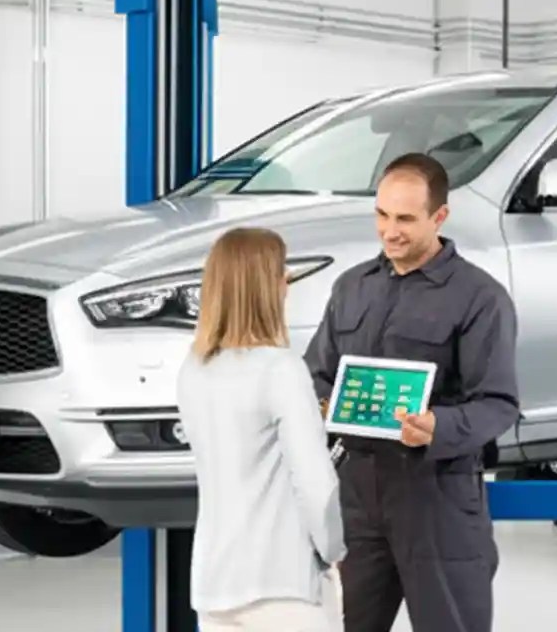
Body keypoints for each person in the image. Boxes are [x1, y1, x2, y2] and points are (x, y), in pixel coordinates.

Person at [304, 153, 521, 632]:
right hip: (357, 493)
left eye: (405, 218)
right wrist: (321, 404)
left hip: (437, 495)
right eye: (382, 215)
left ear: (439, 216)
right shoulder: (351, 287)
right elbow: (318, 373)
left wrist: (438, 427)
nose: (390, 231)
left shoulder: (479, 298)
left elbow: (499, 403)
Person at [176, 227, 346, 632]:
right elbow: (315, 484)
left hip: (215, 583)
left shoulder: (193, 369)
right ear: (265, 286)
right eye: (280, 273)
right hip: (282, 583)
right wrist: (336, 550)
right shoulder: (281, 369)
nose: (286, 282)